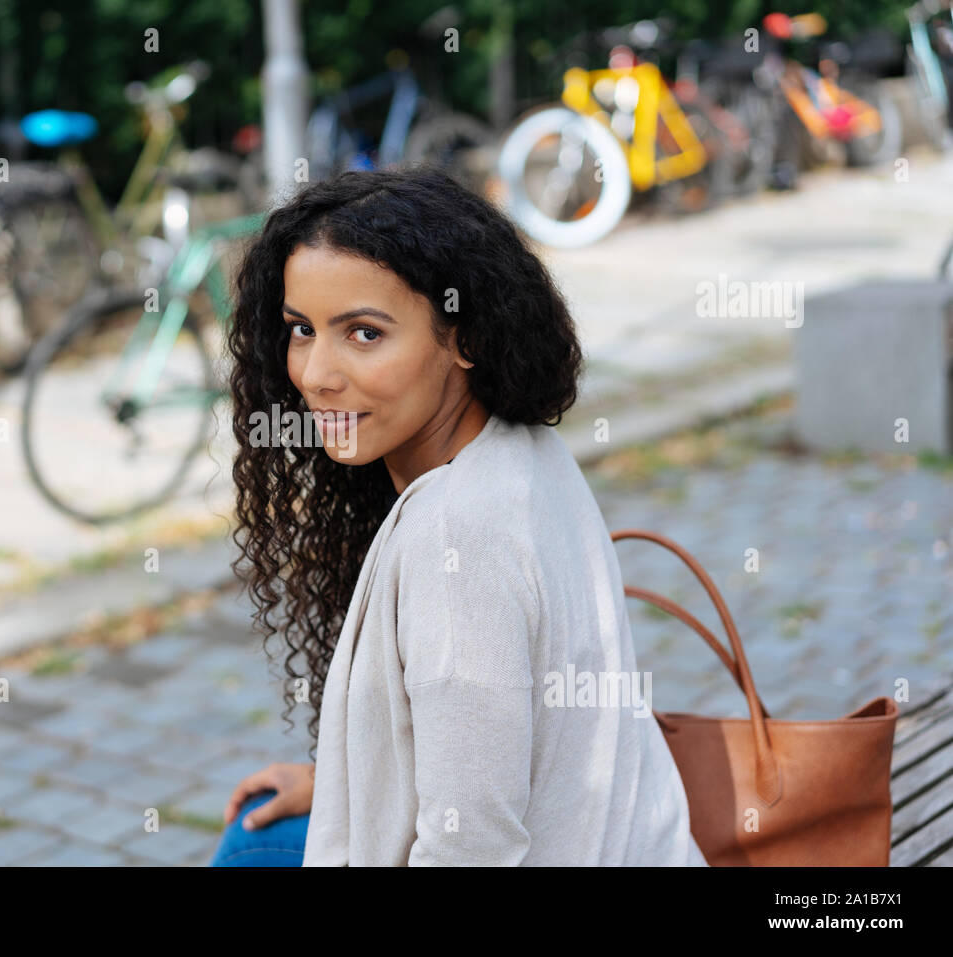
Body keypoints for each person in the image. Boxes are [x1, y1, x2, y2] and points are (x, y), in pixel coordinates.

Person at [209, 165, 708, 866]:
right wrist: (345, 787)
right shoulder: (523, 450)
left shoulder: (456, 539)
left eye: (363, 334)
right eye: (301, 329)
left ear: (464, 338)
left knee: (247, 854)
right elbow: (493, 740)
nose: (316, 372)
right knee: (257, 837)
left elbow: (471, 847)